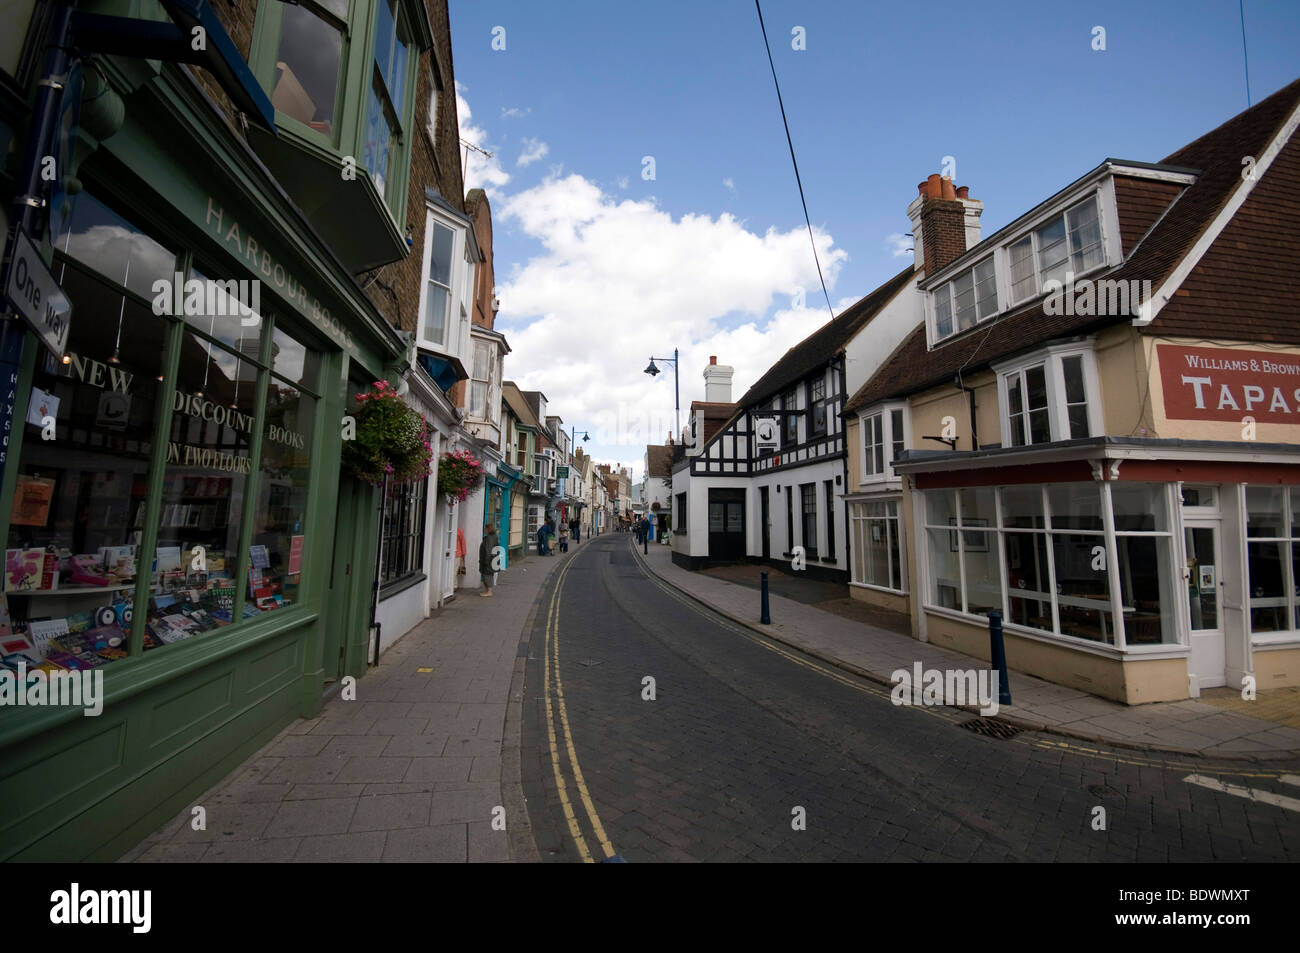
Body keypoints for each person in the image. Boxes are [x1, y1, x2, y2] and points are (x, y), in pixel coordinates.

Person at [479, 523, 499, 597]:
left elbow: (488, 550)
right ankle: (488, 590)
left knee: (487, 575)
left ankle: (489, 591)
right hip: (493, 559)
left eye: (485, 528)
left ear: (488, 529)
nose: (484, 530)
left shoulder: (489, 538)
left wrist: (486, 561)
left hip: (489, 560)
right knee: (488, 574)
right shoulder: (494, 537)